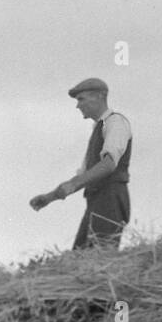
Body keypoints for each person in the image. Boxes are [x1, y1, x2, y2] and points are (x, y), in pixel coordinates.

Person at [30, 77, 133, 249]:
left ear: (99, 96)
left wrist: (75, 183)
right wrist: (50, 197)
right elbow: (83, 175)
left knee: (100, 258)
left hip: (110, 198)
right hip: (96, 200)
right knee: (81, 255)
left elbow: (109, 164)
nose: (78, 105)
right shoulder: (97, 129)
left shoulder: (115, 122)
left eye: (81, 99)